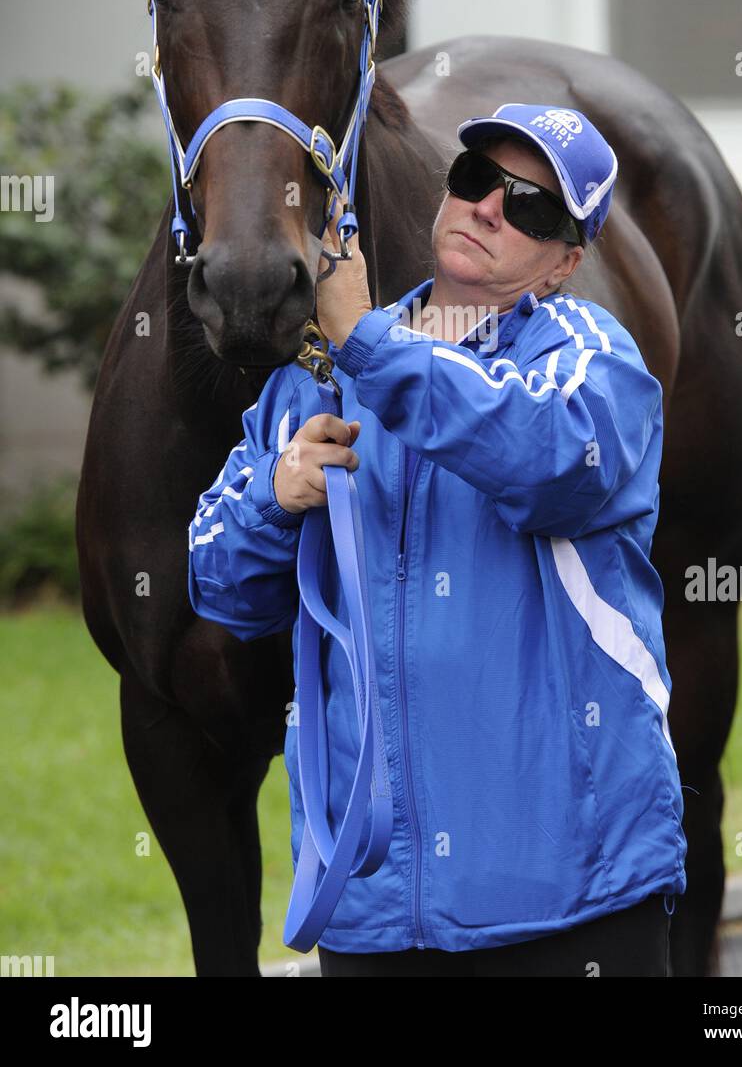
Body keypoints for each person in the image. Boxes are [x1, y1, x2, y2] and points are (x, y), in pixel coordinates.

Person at [187, 102, 687, 977]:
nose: (488, 207)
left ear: (564, 262)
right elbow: (217, 586)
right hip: (371, 905)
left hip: (572, 899)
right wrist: (276, 495)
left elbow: (545, 459)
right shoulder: (320, 379)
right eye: (473, 180)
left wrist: (367, 342)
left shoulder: (589, 359)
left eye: (530, 207)